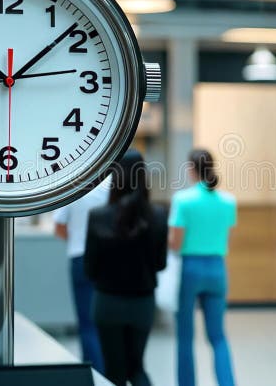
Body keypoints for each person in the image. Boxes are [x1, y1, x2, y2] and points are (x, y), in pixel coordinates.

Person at [84, 149, 167, 386]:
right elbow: (160, 264)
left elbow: (90, 269)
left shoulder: (98, 216)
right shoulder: (158, 215)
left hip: (107, 303)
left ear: (115, 175)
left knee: (114, 372)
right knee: (138, 368)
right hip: (142, 303)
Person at [169, 149, 237, 386]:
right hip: (218, 269)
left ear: (191, 169)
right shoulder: (228, 201)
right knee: (218, 336)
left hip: (191, 269)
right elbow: (226, 238)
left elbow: (176, 243)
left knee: (185, 336)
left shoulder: (183, 200)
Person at [53, 175, 110, 373]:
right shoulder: (111, 183)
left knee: (87, 323)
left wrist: (76, 239)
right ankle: (109, 372)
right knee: (106, 321)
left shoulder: (72, 185)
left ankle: (93, 373)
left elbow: (59, 227)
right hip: (107, 259)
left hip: (80, 258)